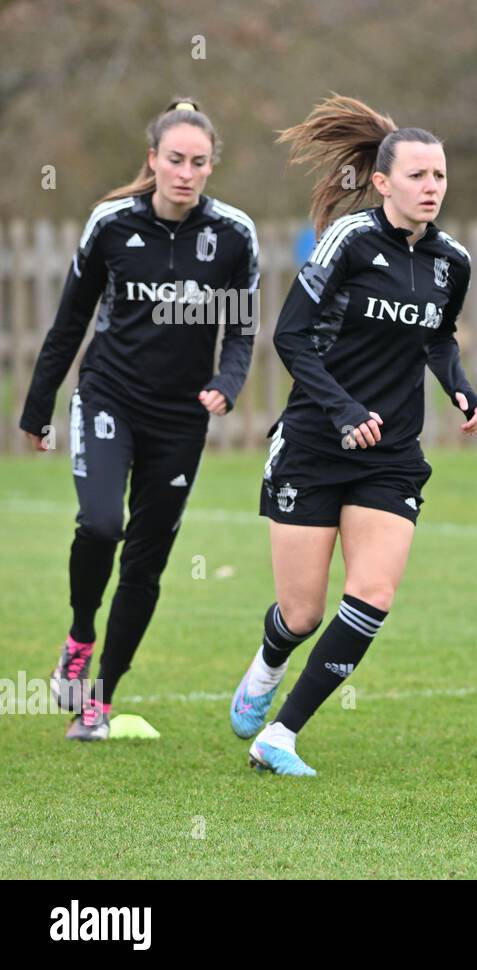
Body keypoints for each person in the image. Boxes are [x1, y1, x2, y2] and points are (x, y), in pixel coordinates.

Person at [229, 95, 477, 776]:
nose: (432, 187)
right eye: (418, 176)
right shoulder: (349, 241)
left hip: (392, 454)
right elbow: (290, 335)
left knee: (372, 593)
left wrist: (459, 386)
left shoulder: (452, 262)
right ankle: (268, 661)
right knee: (302, 611)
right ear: (381, 181)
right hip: (316, 442)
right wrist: (343, 409)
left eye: (439, 176)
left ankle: (280, 735)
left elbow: (438, 337)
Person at [21, 98, 258, 741]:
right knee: (101, 524)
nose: (186, 172)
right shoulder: (110, 226)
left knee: (146, 563)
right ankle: (77, 636)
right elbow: (70, 322)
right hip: (108, 398)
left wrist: (226, 384)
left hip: (181, 418)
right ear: (153, 160)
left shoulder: (233, 236)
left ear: (212, 167)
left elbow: (240, 330)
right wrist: (37, 411)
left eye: (199, 162)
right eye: (175, 159)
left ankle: (99, 696)